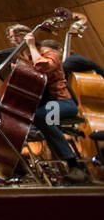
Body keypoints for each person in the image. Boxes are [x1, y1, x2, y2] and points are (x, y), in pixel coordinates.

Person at [24, 36, 89, 184]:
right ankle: (70, 167)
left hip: (63, 103)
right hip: (48, 107)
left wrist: (31, 46)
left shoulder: (49, 54)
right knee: (47, 123)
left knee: (42, 116)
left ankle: (73, 163)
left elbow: (42, 66)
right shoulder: (28, 57)